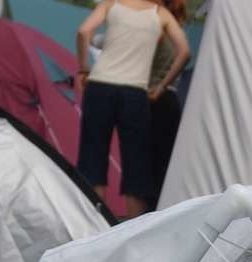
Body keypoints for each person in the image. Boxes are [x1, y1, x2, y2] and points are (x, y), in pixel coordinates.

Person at [75, 0, 189, 218]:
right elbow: (184, 52)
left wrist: (83, 69)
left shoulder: (112, 4)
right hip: (134, 93)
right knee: (136, 165)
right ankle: (134, 229)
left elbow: (84, 31)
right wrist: (162, 86)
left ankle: (93, 226)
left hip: (100, 86)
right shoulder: (160, 13)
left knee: (93, 160)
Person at [146, 0, 191, 206]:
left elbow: (184, 55)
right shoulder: (177, 27)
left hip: (154, 97)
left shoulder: (160, 26)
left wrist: (162, 85)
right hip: (171, 101)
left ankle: (150, 211)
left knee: (149, 161)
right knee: (164, 160)